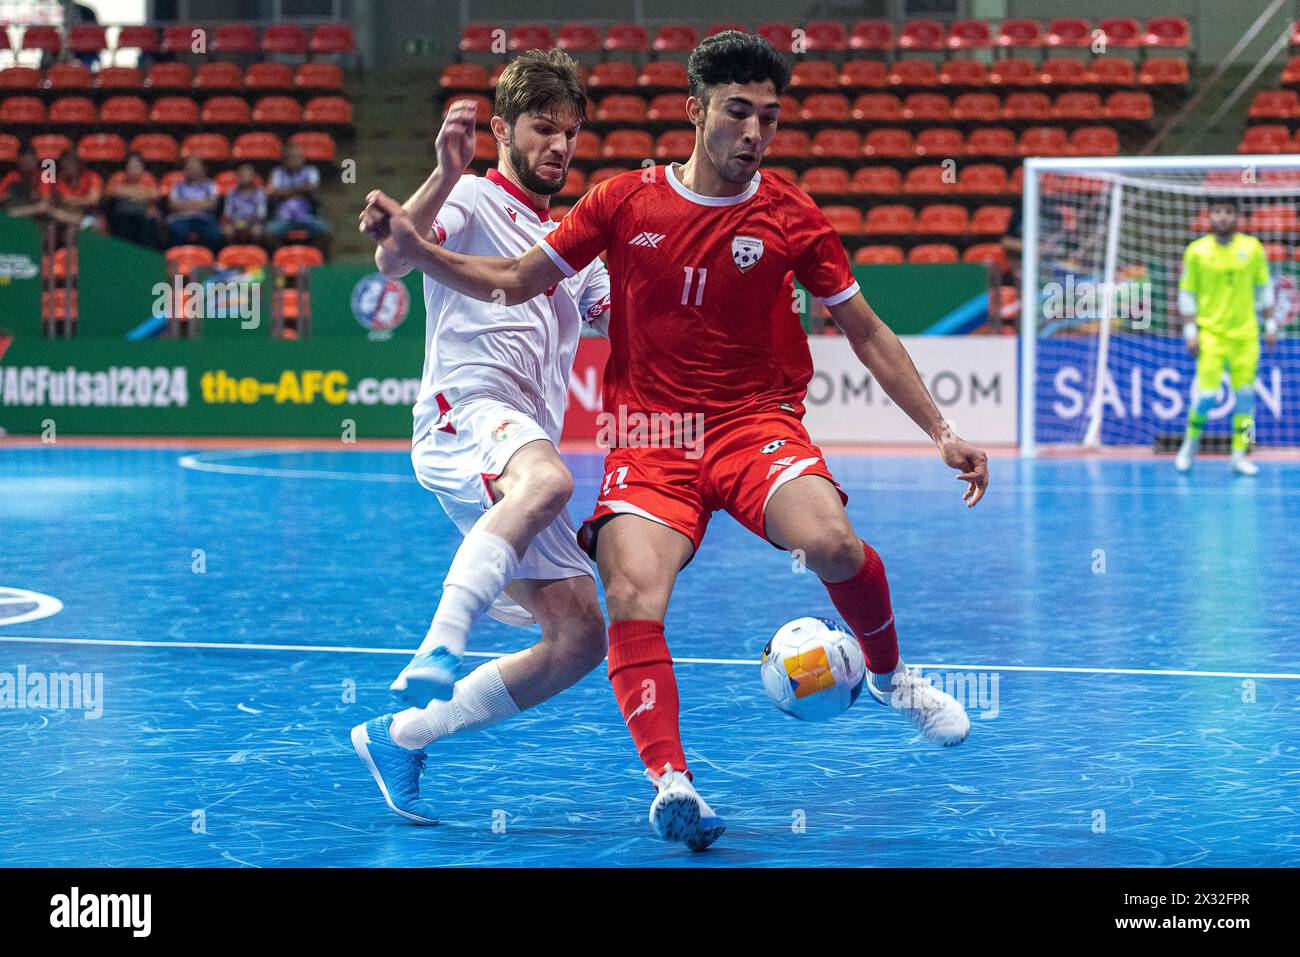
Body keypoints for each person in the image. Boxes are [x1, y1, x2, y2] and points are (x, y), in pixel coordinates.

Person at [360, 32, 988, 852]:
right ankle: (670, 781)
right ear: (696, 112)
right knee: (625, 594)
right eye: (738, 113)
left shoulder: (791, 213)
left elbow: (864, 330)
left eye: (769, 116)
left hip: (751, 426)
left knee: (828, 546)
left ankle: (890, 677)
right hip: (641, 439)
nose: (756, 132)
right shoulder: (619, 201)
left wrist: (940, 429)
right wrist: (415, 240)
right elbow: (507, 279)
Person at [351, 51, 611, 824]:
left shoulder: (569, 241)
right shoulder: (467, 194)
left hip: (517, 433)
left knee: (579, 637)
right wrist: (439, 172)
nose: (559, 146)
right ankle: (440, 641)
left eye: (570, 132)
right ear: (501, 129)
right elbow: (394, 257)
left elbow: (624, 322)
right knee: (552, 482)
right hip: (463, 410)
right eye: (542, 128)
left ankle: (400, 735)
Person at [1175, 196, 1277, 476]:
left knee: (1245, 397)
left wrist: (1270, 323)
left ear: (1237, 217)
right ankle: (1190, 446)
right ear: (1210, 216)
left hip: (1245, 335)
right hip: (1211, 335)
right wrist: (1189, 330)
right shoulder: (1196, 251)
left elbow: (1264, 287)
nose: (1222, 217)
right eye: (1217, 212)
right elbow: (1187, 293)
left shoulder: (1251, 248)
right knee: (1207, 396)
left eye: (1228, 212)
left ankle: (1239, 455)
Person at [267, 144, 331, 252]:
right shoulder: (277, 172)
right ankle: (281, 259)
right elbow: (274, 192)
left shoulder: (311, 170)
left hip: (306, 216)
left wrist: (286, 191)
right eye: (291, 157)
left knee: (327, 231)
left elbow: (312, 188)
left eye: (297, 157)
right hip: (283, 218)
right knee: (268, 233)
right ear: (285, 159)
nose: (294, 160)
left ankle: (313, 258)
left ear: (303, 158)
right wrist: (301, 190)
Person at [105, 153, 162, 248]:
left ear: (142, 168)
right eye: (130, 166)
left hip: (145, 217)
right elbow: (111, 192)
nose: (133, 169)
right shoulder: (117, 177)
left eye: (136, 166)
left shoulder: (148, 178)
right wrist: (141, 195)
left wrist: (127, 194)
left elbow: (155, 195)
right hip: (123, 216)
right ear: (126, 168)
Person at [165, 156, 222, 251]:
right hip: (181, 219)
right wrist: (200, 204)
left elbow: (212, 204)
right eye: (189, 168)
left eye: (195, 167)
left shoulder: (211, 185)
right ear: (185, 170)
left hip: (204, 219)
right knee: (175, 231)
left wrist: (186, 203)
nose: (192, 170)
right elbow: (173, 205)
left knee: (214, 234)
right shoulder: (177, 186)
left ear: (202, 169)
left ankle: (208, 261)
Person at [220, 163, 268, 246]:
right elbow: (227, 213)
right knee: (227, 230)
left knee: (257, 230)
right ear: (237, 177)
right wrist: (238, 223)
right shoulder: (231, 193)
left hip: (253, 223)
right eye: (242, 174)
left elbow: (261, 214)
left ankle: (254, 253)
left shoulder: (260, 193)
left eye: (247, 174)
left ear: (253, 176)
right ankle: (231, 252)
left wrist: (248, 223)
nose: (244, 177)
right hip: (235, 222)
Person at [0, 144, 45, 216]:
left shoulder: (45, 176)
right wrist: (7, 196)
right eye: (23, 161)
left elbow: (44, 204)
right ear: (18, 161)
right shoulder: (13, 177)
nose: (26, 165)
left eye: (29, 161)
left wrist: (19, 211)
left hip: (39, 218)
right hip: (17, 215)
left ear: (36, 160)